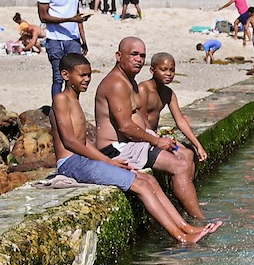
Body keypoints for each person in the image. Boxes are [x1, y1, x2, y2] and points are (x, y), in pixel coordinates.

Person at [51, 53, 218, 244]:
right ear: (65, 75)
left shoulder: (74, 100)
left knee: (149, 180)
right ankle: (181, 237)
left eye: (89, 75)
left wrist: (108, 161)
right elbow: (70, 142)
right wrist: (107, 161)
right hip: (71, 163)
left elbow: (83, 141)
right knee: (142, 186)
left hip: (82, 161)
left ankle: (186, 227)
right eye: (82, 75)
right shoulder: (61, 99)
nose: (87, 79)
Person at [96, 36, 206, 222]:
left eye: (142, 56)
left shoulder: (129, 81)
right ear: (118, 56)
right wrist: (156, 140)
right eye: (134, 54)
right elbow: (125, 126)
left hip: (132, 142)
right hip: (115, 148)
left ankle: (188, 209)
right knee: (179, 166)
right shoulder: (117, 83)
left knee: (186, 154)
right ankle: (198, 219)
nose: (138, 59)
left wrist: (195, 145)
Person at [135, 53, 210, 172]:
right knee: (186, 154)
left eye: (172, 70)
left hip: (156, 136)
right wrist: (158, 139)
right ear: (152, 70)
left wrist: (198, 145)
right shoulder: (143, 89)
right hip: (144, 137)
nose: (169, 74)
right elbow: (142, 119)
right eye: (163, 70)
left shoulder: (168, 93)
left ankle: (188, 182)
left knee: (192, 152)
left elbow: (180, 121)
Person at [36, 0, 91, 99]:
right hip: (55, 39)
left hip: (73, 39)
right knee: (58, 77)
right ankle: (57, 107)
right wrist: (70, 19)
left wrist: (84, 40)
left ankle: (72, 105)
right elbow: (43, 17)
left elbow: (77, 16)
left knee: (75, 78)